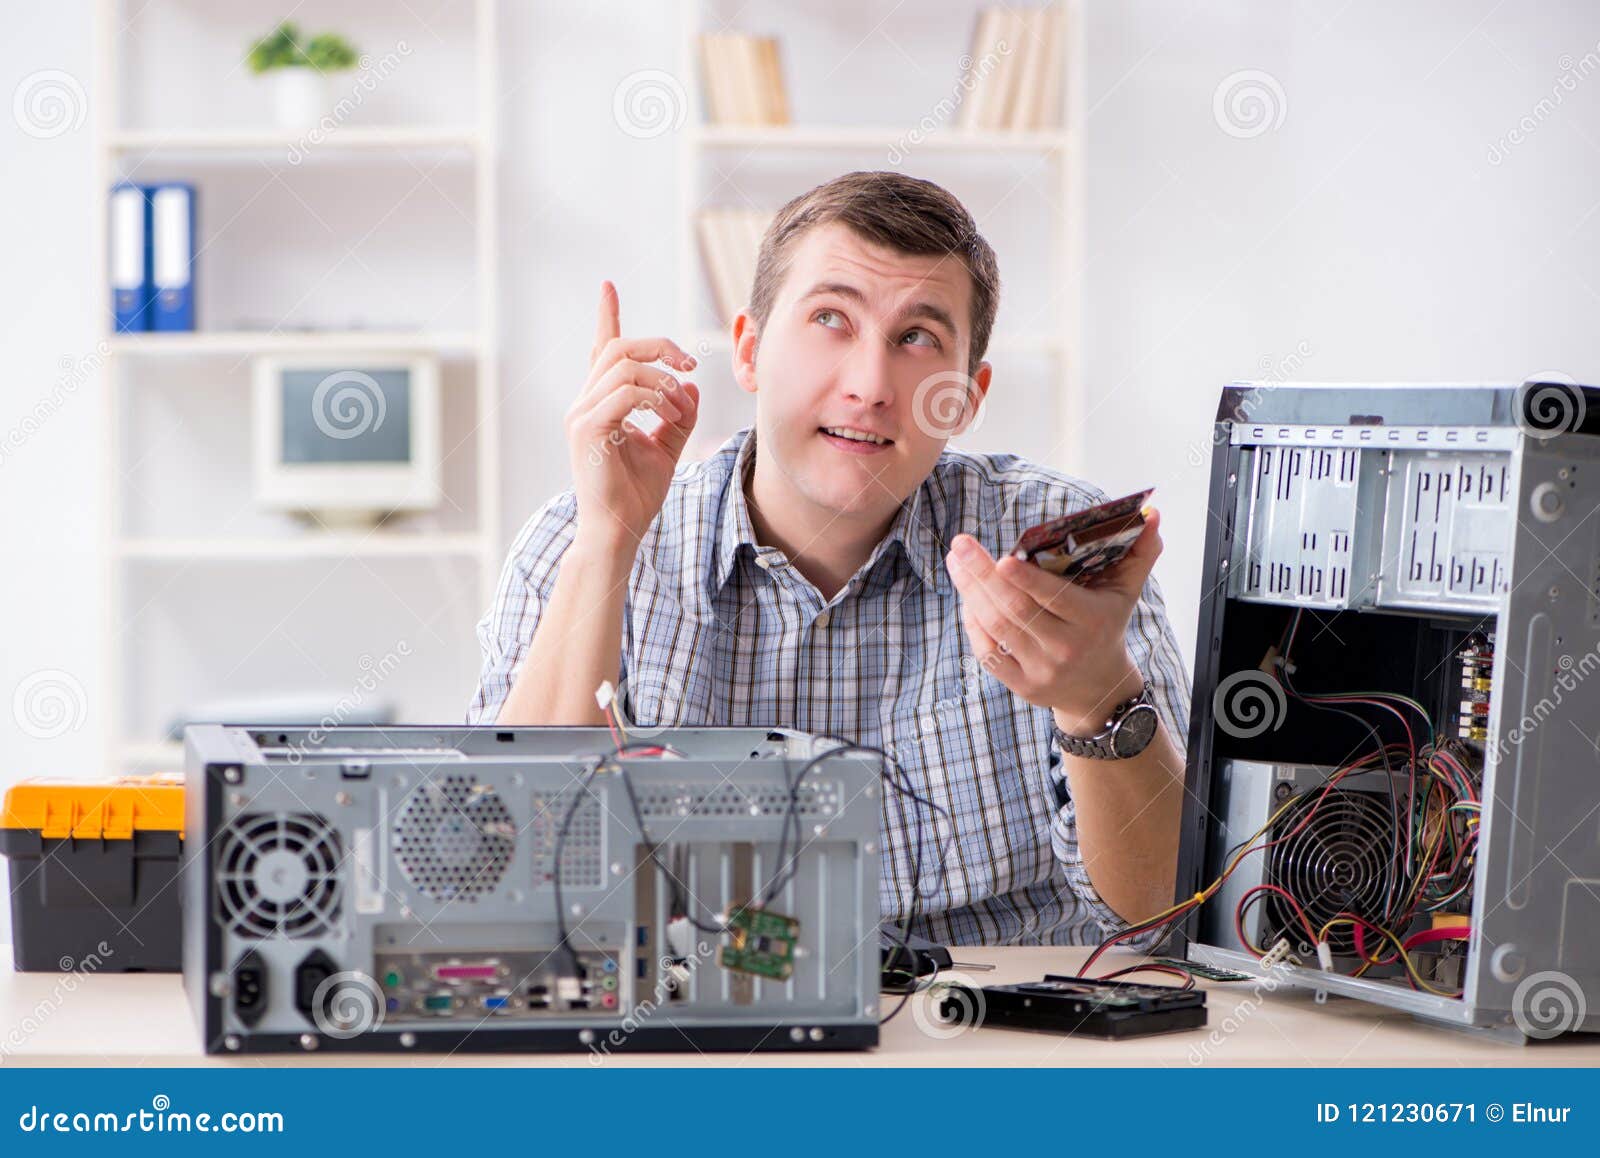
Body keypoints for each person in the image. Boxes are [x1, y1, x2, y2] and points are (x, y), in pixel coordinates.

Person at [469, 171, 1190, 949]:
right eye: (830, 319)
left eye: (918, 337)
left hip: (1009, 1045)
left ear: (967, 396)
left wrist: (1097, 702)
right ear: (748, 351)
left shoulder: (1061, 554)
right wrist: (607, 539)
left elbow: (1167, 916)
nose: (870, 386)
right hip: (695, 1043)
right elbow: (503, 899)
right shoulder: (578, 539)